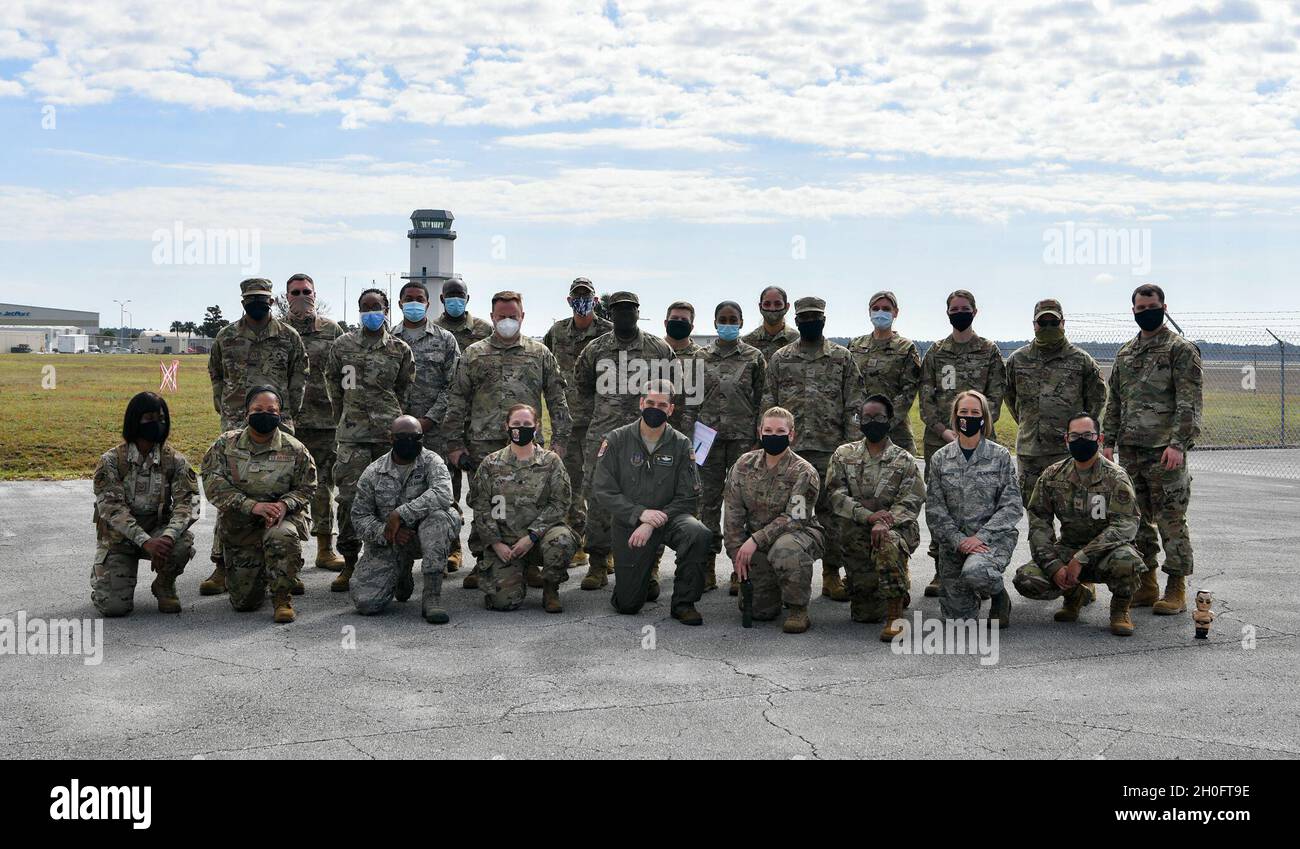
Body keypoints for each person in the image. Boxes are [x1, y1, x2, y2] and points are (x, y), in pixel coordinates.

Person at [444, 291, 571, 590]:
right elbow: (457, 399)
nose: (507, 321)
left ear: (522, 317)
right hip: (484, 445)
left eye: (512, 316)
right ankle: (484, 560)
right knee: (486, 505)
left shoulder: (539, 353)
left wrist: (560, 441)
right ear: (492, 318)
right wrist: (453, 444)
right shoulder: (474, 353)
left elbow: (557, 398)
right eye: (501, 317)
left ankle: (526, 564)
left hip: (528, 445)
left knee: (526, 505)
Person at [1101, 283, 1203, 615]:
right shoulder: (1126, 353)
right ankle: (1147, 584)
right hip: (1131, 451)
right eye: (1141, 309)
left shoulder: (1180, 350)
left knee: (1172, 520)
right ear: (1133, 311)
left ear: (1164, 307)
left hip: (1165, 452)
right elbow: (1114, 401)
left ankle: (1176, 588)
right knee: (1137, 520)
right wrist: (1108, 443)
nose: (1147, 312)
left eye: (1152, 307)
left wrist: (1178, 444)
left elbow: (1189, 403)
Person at [203, 277, 308, 597]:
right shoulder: (226, 336)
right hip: (236, 425)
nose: (257, 303)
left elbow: (298, 378)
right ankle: (223, 566)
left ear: (272, 302)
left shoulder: (288, 337)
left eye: (263, 298)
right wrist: (228, 412)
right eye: (251, 299)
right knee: (231, 497)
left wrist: (286, 415)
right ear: (243, 302)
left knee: (285, 496)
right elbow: (216, 376)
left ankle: (288, 567)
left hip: (278, 424)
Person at [760, 295, 863, 602]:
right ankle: (781, 573)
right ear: (796, 322)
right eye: (804, 319)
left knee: (832, 515)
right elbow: (768, 402)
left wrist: (849, 449)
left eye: (815, 318)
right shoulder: (780, 358)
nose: (809, 323)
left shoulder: (841, 357)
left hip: (830, 450)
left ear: (824, 321)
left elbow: (853, 406)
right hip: (789, 453)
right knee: (786, 512)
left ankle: (831, 574)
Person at [573, 291, 676, 591]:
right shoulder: (596, 348)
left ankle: (650, 565)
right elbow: (582, 387)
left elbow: (673, 390)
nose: (625, 315)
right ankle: (597, 563)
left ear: (638, 311)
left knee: (650, 497)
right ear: (610, 313)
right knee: (600, 498)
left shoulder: (658, 348)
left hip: (649, 438)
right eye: (619, 310)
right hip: (604, 437)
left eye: (631, 309)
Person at [591, 379, 713, 625]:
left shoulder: (681, 444)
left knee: (698, 533)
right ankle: (643, 579)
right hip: (630, 523)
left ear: (671, 409)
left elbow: (689, 497)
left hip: (670, 518)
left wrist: (653, 521)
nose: (655, 408)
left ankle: (684, 603)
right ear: (640, 403)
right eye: (650, 403)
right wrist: (639, 514)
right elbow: (603, 490)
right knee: (628, 605)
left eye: (662, 404)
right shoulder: (617, 439)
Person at [1013, 413, 1145, 636]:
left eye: (1087, 435)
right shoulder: (1053, 475)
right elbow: (1039, 523)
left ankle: (1120, 609)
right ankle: (1075, 595)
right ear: (1066, 439)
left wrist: (1082, 557)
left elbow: (1125, 525)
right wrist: (1054, 566)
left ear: (1099, 438)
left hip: (1106, 553)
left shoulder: (1115, 477)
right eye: (1074, 436)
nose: (1080, 440)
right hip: (1068, 549)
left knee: (1128, 562)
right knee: (1026, 579)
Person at [200, 386, 317, 623]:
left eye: (271, 410)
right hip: (241, 524)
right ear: (246, 414)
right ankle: (263, 571)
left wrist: (284, 505)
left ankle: (282, 597)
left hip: (281, 520)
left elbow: (308, 487)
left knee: (282, 535)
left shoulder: (294, 449)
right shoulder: (226, 445)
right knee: (244, 603)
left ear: (280, 414)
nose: (265, 414)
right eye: (258, 409)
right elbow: (212, 482)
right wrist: (251, 506)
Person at [917, 289, 1006, 598]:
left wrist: (975, 432)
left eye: (964, 308)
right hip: (940, 441)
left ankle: (985, 560)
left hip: (980, 441)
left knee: (980, 504)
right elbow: (925, 399)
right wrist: (946, 432)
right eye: (954, 308)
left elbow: (995, 397)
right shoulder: (935, 352)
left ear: (975, 312)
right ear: (948, 313)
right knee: (943, 504)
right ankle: (943, 569)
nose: (959, 312)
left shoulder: (989, 351)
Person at [325, 288, 415, 593]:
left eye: (376, 307)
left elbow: (403, 390)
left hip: (389, 439)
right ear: (358, 311)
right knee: (349, 500)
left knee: (392, 501)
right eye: (365, 307)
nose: (371, 311)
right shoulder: (342, 346)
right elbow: (334, 388)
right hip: (352, 437)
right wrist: (345, 417)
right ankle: (349, 564)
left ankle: (395, 565)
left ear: (387, 309)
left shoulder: (400, 349)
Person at [826, 395, 926, 640]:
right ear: (859, 421)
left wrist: (885, 522)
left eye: (879, 417)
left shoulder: (904, 459)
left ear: (889, 420)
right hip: (857, 533)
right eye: (867, 417)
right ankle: (889, 585)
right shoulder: (843, 454)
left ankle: (895, 615)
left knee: (888, 543)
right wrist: (869, 517)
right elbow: (835, 495)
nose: (873, 422)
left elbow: (911, 501)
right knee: (866, 614)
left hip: (896, 531)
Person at [90, 392, 198, 616]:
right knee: (113, 608)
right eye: (149, 419)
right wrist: (145, 541)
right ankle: (103, 581)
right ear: (134, 421)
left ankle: (164, 584)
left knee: (181, 543)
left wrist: (167, 536)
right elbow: (112, 509)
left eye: (161, 418)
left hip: (158, 531)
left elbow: (190, 505)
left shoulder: (175, 461)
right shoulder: (112, 461)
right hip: (119, 539)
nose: (157, 424)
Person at [924, 390, 1022, 627]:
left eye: (975, 413)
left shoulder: (999, 457)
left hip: (991, 540)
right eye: (963, 412)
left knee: (976, 571)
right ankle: (976, 590)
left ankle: (999, 597)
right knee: (958, 618)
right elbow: (935, 510)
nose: (969, 417)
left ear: (984, 418)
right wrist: (959, 540)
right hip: (955, 544)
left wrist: (981, 537)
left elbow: (1011, 506)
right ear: (956, 417)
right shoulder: (940, 458)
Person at [349, 416, 460, 623]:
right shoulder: (373, 472)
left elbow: (444, 493)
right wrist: (387, 532)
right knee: (366, 604)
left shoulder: (431, 461)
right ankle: (401, 572)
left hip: (424, 536)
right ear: (391, 438)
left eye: (415, 437)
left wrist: (401, 513)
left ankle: (432, 597)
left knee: (439, 518)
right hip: (390, 540)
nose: (409, 441)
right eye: (402, 437)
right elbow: (359, 517)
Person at [723, 406, 824, 633]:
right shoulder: (743, 465)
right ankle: (774, 585)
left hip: (799, 535)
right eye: (768, 430)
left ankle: (798, 609)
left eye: (780, 431)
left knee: (785, 548)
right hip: (758, 542)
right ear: (760, 432)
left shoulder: (803, 471)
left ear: (791, 435)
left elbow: (795, 519)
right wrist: (737, 554)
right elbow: (732, 516)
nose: (773, 436)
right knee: (760, 612)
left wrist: (756, 539)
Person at [472, 405, 578, 612]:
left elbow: (560, 502)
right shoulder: (490, 463)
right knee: (504, 603)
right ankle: (514, 574)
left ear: (536, 427)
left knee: (562, 540)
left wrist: (532, 537)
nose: (521, 428)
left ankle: (550, 588)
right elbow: (481, 506)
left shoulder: (551, 461)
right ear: (507, 426)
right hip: (505, 542)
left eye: (527, 424)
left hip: (540, 538)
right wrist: (495, 543)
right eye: (516, 424)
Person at [542, 277, 613, 569]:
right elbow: (545, 366)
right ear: (569, 301)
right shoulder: (557, 332)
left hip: (600, 421)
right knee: (568, 483)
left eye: (587, 295)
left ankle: (604, 549)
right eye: (577, 296)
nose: (582, 300)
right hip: (566, 422)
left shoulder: (607, 332)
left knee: (600, 483)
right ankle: (576, 543)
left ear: (595, 300)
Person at [697, 300, 766, 595]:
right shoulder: (700, 358)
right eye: (723, 319)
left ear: (741, 322)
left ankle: (741, 568)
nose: (728, 323)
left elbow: (764, 398)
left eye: (733, 319)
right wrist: (691, 439)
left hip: (743, 440)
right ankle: (707, 566)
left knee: (742, 505)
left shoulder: (754, 357)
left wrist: (758, 440)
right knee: (707, 504)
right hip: (708, 440)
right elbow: (690, 399)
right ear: (714, 323)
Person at [394, 280, 462, 572]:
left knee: (444, 489)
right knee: (399, 488)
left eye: (419, 298)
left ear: (428, 303)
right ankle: (399, 549)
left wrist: (428, 419)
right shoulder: (388, 338)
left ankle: (452, 547)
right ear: (399, 304)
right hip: (397, 431)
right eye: (408, 298)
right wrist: (401, 423)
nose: (414, 302)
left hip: (434, 428)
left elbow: (453, 385)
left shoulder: (445, 339)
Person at [283, 273, 347, 571]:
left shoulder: (331, 330)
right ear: (286, 297)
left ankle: (325, 548)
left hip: (325, 422)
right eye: (295, 292)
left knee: (323, 487)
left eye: (307, 291)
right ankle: (288, 550)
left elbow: (345, 372)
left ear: (315, 293)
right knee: (286, 487)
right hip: (287, 422)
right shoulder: (278, 330)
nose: (301, 296)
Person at [434, 275, 493, 527]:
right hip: (444, 420)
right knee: (448, 487)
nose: (455, 300)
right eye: (450, 295)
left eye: (460, 295)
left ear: (467, 299)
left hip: (479, 422)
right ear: (441, 299)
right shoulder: (433, 329)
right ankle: (452, 548)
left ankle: (482, 547)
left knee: (482, 488)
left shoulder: (483, 330)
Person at [847, 291, 921, 455]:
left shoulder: (906, 348)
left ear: (895, 313)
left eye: (886, 309)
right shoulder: (855, 345)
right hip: (858, 430)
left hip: (894, 431)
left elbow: (908, 391)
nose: (881, 312)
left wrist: (884, 422)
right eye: (876, 308)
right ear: (869, 312)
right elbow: (848, 386)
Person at [743, 285, 800, 362]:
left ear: (787, 307)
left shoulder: (798, 341)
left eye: (778, 304)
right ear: (760, 307)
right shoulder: (747, 342)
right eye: (767, 304)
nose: (772, 308)